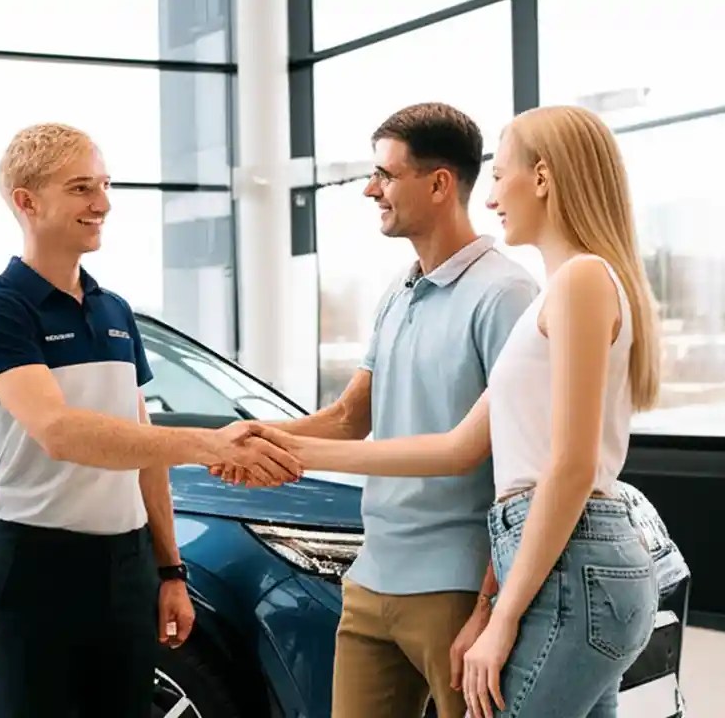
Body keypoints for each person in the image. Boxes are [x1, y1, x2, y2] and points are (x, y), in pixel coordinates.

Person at [242, 104, 663, 718]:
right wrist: (284, 447)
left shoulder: (574, 283)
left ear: (542, 178)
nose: (491, 196)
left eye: (499, 175)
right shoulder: (560, 291)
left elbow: (569, 468)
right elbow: (456, 446)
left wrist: (497, 616)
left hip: (566, 559)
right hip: (556, 556)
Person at [0, 122, 302, 718]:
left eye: (105, 185)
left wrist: (169, 569)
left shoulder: (115, 310)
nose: (103, 204)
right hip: (41, 563)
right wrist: (207, 442)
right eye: (82, 188)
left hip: (127, 563)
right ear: (27, 201)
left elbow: (143, 448)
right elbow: (60, 432)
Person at [218, 102, 539, 718]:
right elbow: (348, 417)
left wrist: (489, 608)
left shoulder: (507, 294)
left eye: (385, 175)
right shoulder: (401, 286)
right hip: (371, 576)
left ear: (439, 183)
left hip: (454, 582)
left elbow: (520, 468)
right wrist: (251, 436)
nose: (371, 189)